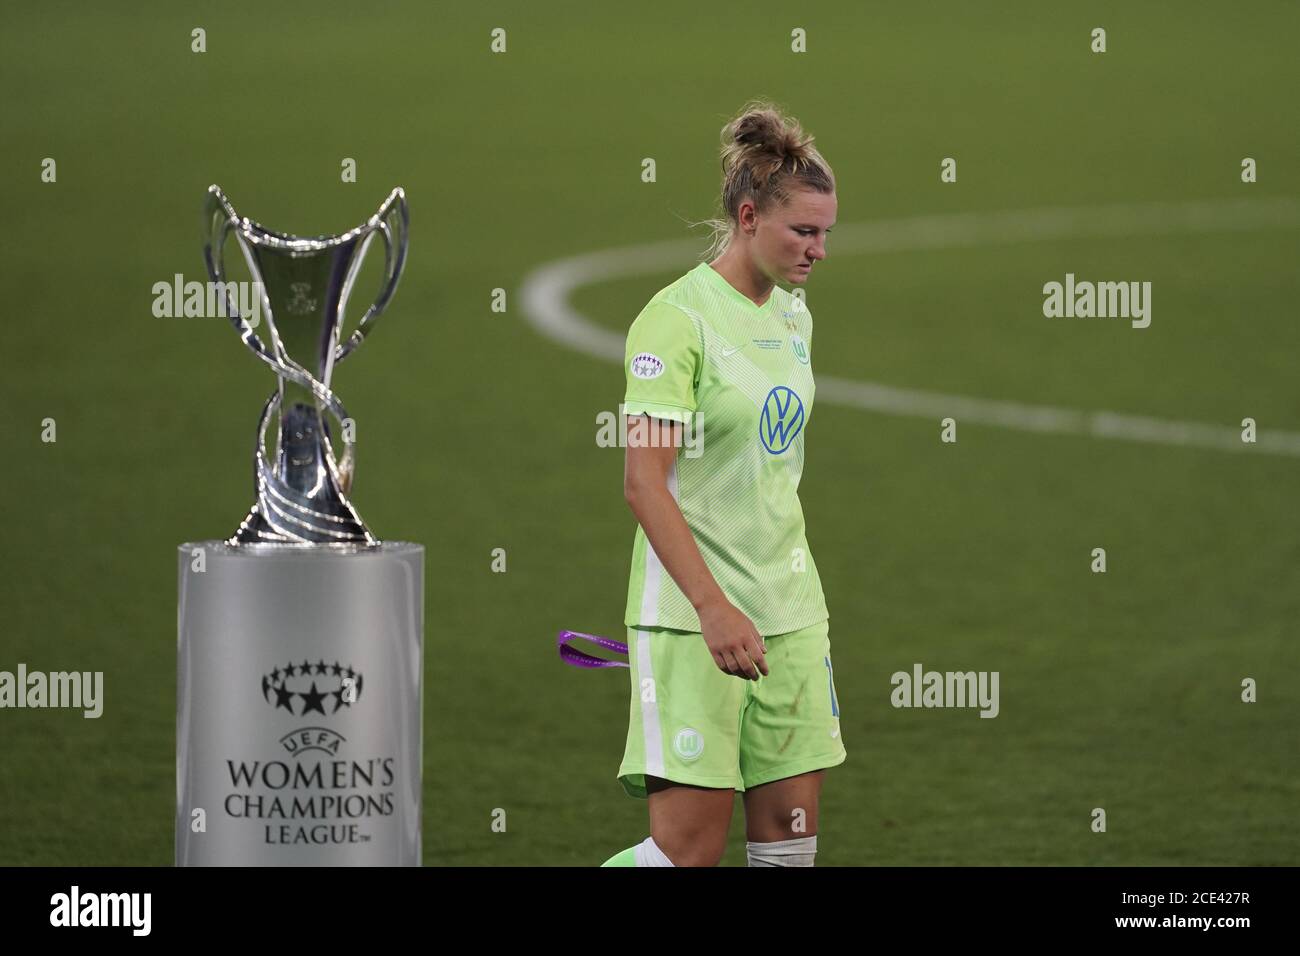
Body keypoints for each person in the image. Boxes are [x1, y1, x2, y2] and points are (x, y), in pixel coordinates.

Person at [601, 100, 842, 867]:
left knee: (789, 854)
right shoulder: (673, 321)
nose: (819, 251)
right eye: (803, 232)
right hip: (693, 623)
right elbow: (645, 484)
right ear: (747, 217)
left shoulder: (794, 317)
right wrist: (713, 608)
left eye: (826, 233)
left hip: (791, 615)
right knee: (686, 857)